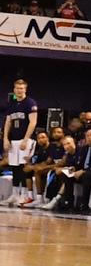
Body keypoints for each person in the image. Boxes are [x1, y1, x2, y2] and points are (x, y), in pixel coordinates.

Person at [1, 78, 38, 207]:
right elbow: (8, 122)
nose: (19, 90)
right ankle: (15, 194)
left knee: (24, 167)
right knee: (15, 167)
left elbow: (33, 122)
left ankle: (25, 195)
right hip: (13, 139)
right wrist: (5, 138)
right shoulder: (11, 103)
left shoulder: (30, 103)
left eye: (22, 88)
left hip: (25, 139)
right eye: (17, 88)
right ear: (14, 89)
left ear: (25, 89)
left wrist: (26, 139)